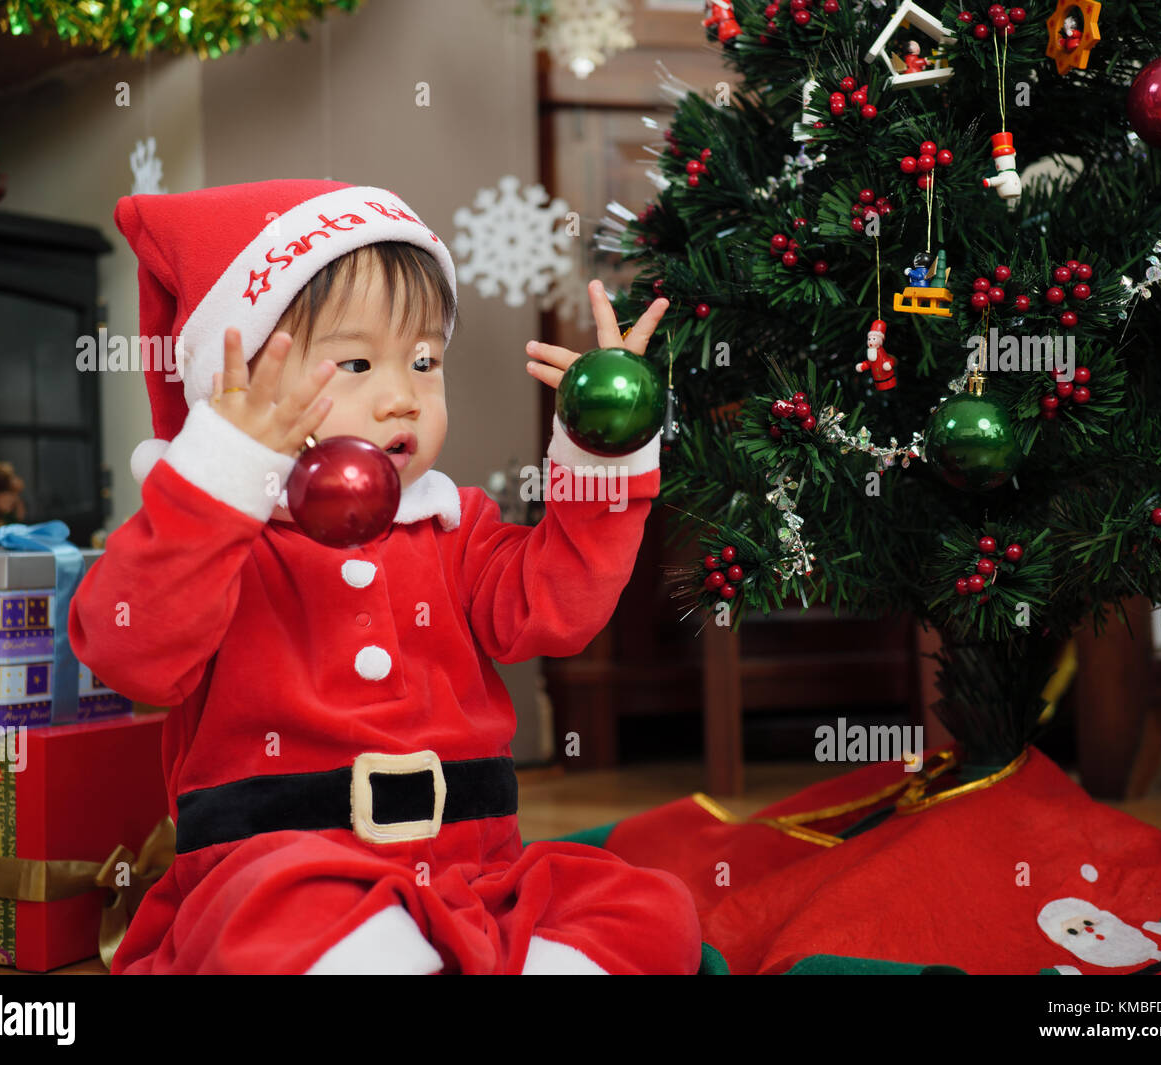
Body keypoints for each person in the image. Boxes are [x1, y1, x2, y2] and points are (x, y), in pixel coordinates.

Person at [68, 179, 703, 974]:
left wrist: (601, 450)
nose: (402, 396)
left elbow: (556, 609)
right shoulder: (213, 538)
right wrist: (218, 480)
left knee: (648, 910)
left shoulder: (451, 523)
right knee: (279, 923)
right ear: (236, 392)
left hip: (479, 873)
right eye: (358, 362)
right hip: (286, 872)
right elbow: (133, 652)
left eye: (425, 359)